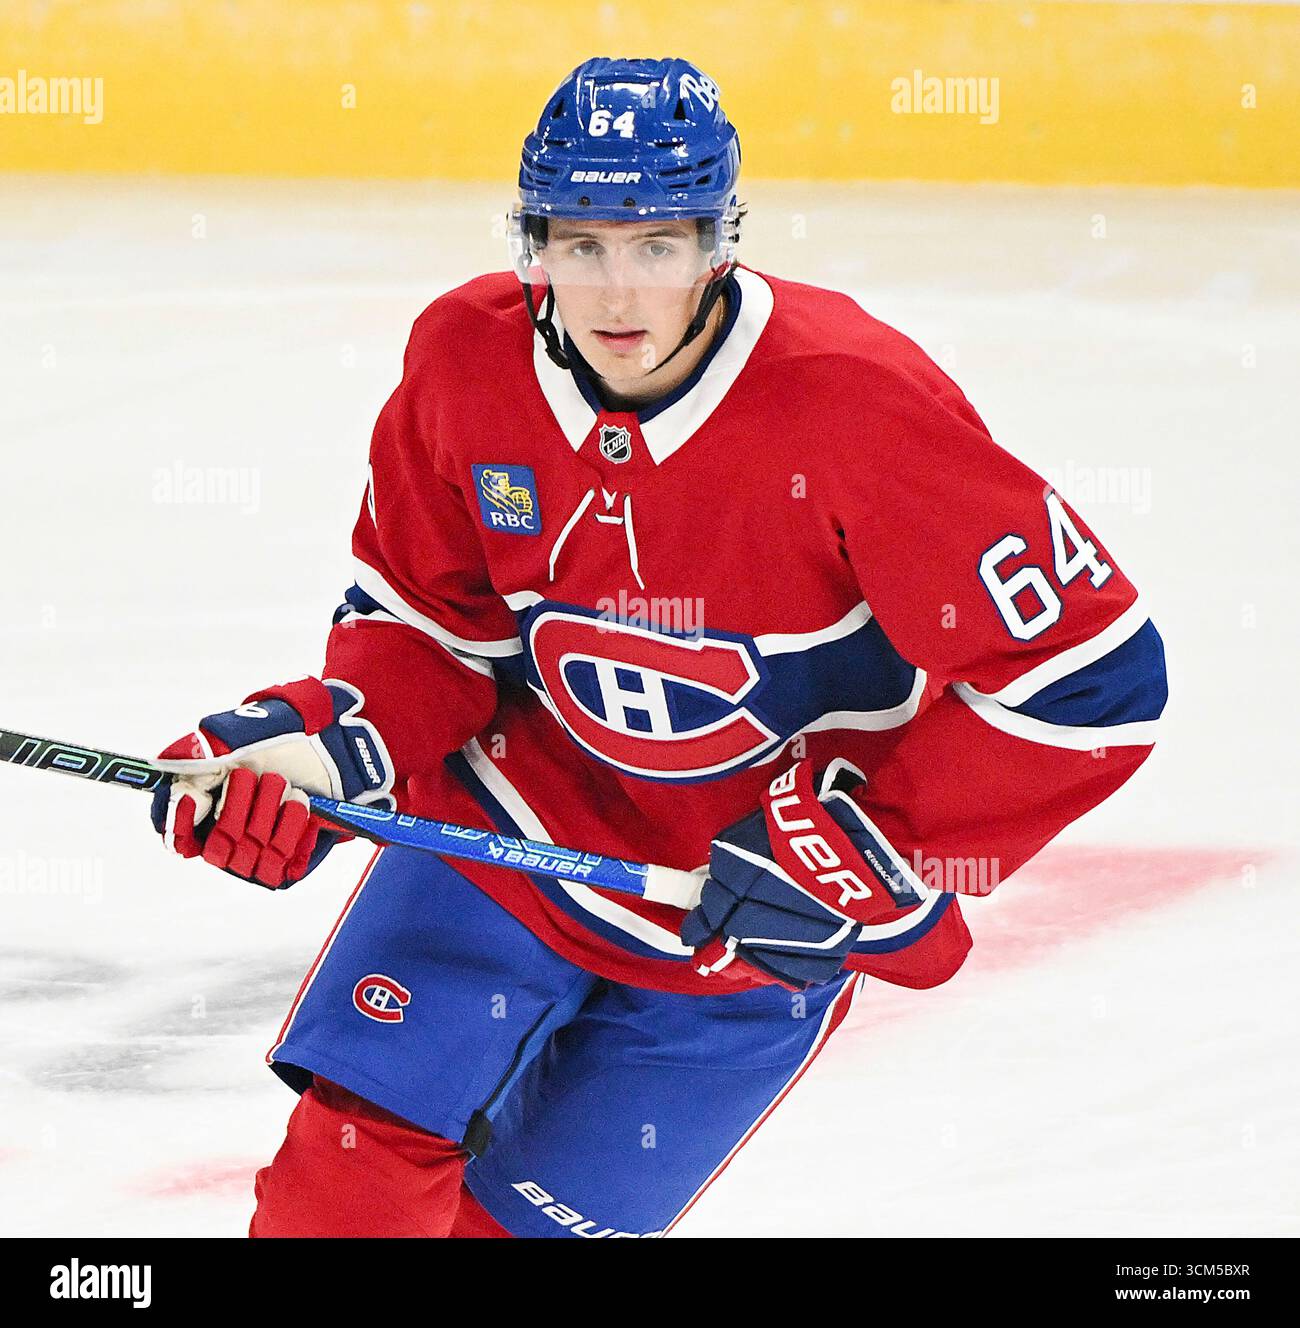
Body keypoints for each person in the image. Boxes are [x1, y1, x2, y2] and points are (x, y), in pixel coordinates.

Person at [152, 56, 1167, 1239]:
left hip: (735, 924)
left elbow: (1093, 680)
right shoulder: (465, 361)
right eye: (581, 245)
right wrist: (325, 751)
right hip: (503, 839)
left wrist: (876, 840)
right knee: (347, 1180)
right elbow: (432, 632)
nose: (617, 290)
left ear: (717, 243)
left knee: (515, 1228)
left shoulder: (850, 404)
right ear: (533, 242)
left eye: (655, 245)